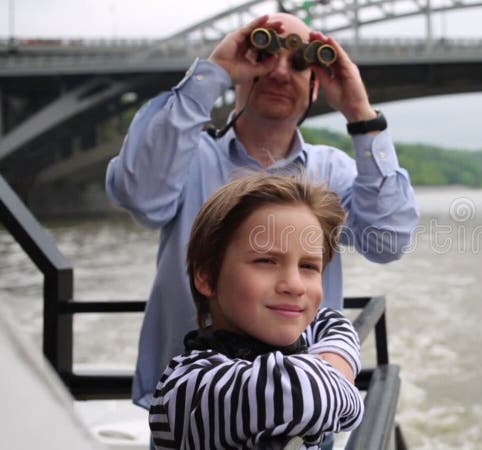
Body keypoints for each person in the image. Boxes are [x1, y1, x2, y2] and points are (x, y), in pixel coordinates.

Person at [106, 12, 419, 409]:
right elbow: (138, 195)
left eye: (301, 61)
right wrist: (214, 72)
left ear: (315, 85)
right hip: (192, 406)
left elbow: (388, 240)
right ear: (241, 70)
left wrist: (361, 113)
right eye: (265, 53)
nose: (280, 71)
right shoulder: (187, 158)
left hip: (299, 408)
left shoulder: (333, 172)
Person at [149, 173, 363, 449]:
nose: (295, 286)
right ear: (206, 276)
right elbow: (314, 396)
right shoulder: (190, 386)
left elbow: (329, 319)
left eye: (309, 266)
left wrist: (334, 360)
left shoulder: (283, 340)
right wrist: (341, 375)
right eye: (266, 260)